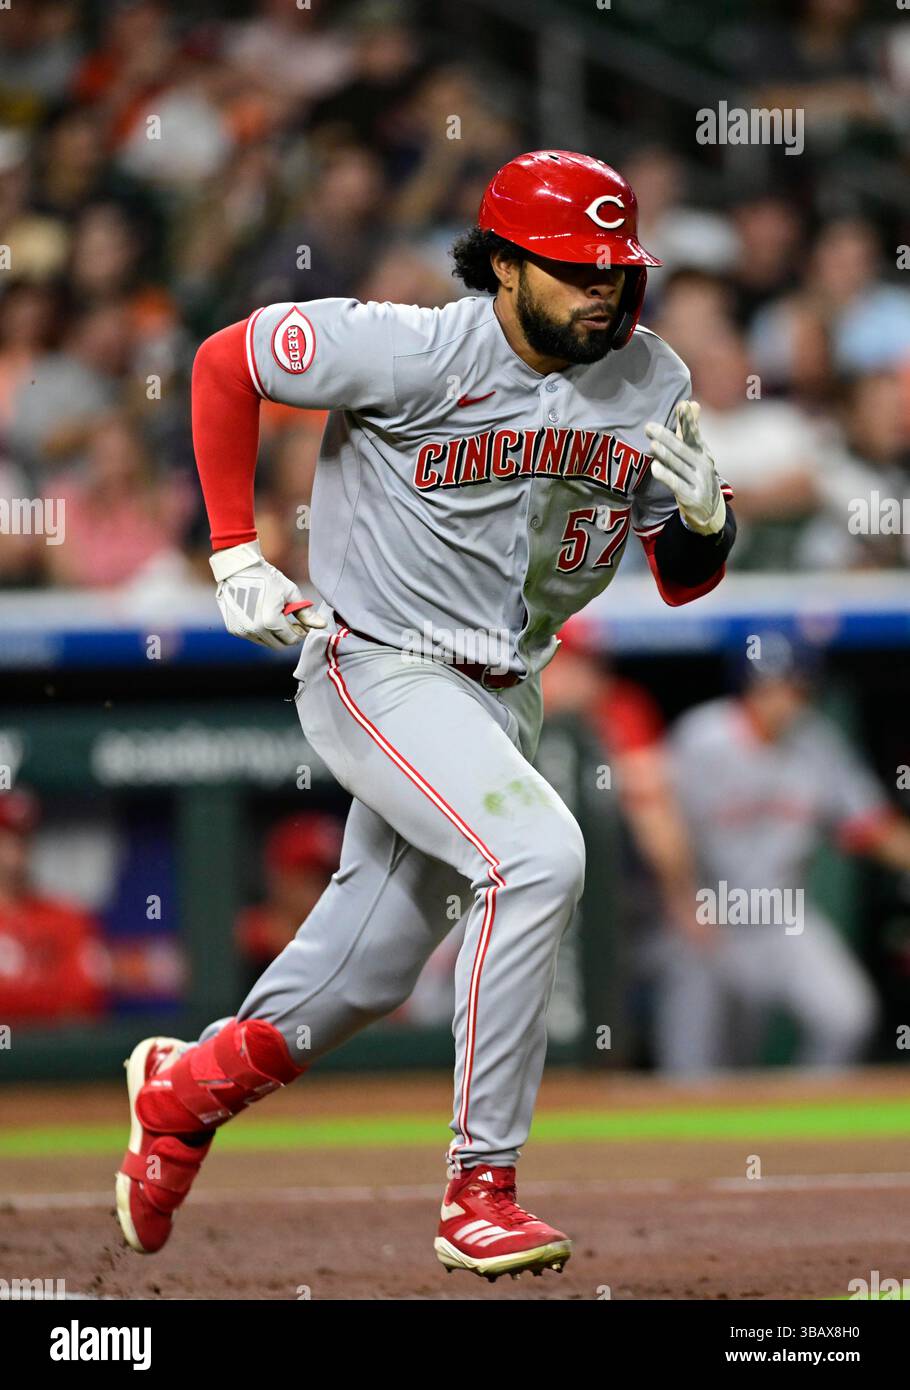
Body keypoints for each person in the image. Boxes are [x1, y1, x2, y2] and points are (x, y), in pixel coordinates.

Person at [116, 149, 737, 1281]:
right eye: (573, 268)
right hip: (384, 665)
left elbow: (683, 575)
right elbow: (222, 362)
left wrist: (703, 522)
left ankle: (182, 1093)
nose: (602, 289)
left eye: (616, 268)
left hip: (505, 696)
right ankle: (479, 1189)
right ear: (503, 265)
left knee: (359, 977)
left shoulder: (650, 377)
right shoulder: (412, 346)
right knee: (541, 856)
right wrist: (232, 548)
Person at [654, 633, 910, 1075]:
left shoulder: (817, 744)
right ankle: (686, 1144)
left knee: (845, 1017)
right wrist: (682, 900)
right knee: (693, 1066)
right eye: (771, 686)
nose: (784, 699)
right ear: (747, 688)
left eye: (795, 686)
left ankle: (804, 1129)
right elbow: (661, 821)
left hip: (783, 914)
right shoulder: (703, 737)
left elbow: (870, 827)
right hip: (710, 911)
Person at [0, 788, 109, 1026]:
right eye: (5, 838)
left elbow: (83, 1001)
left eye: (22, 839)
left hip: (48, 1061)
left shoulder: (66, 919)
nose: (15, 852)